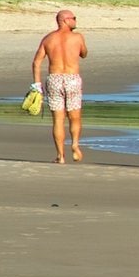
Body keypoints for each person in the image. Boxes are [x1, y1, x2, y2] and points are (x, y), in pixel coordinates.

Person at [30, 9, 87, 164]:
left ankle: (60, 156)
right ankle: (75, 144)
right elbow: (84, 53)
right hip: (72, 78)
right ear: (65, 20)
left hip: (54, 79)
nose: (76, 21)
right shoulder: (77, 37)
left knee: (58, 120)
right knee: (75, 117)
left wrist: (36, 85)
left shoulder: (48, 39)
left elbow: (36, 62)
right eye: (74, 18)